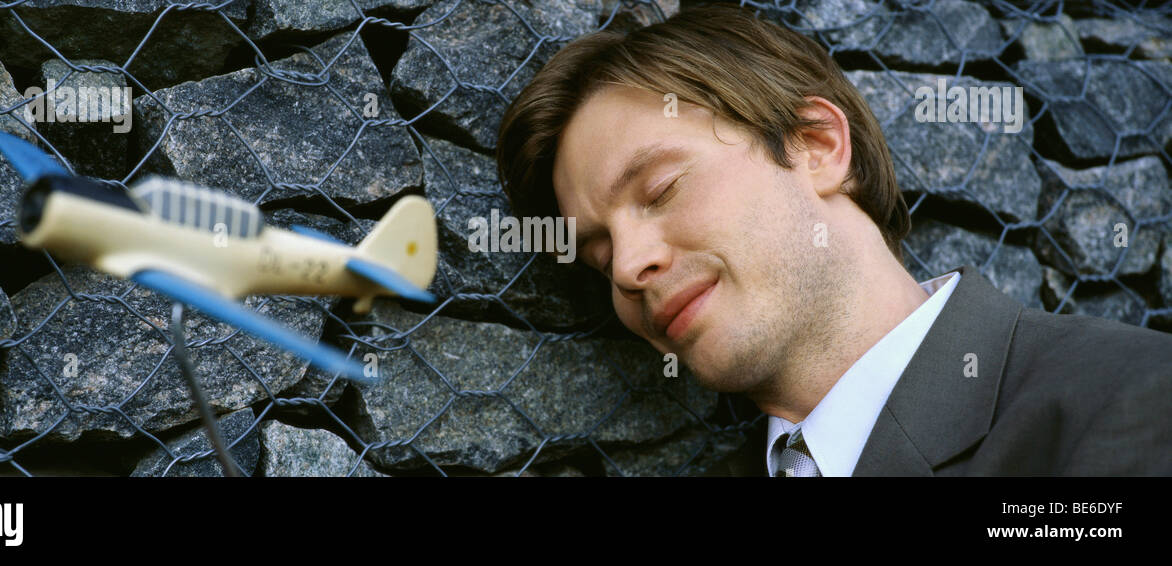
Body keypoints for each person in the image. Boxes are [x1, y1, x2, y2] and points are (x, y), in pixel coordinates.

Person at [494, 3, 1172, 476]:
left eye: (661, 188)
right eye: (600, 255)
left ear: (818, 146)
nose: (630, 269)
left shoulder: (1129, 402)